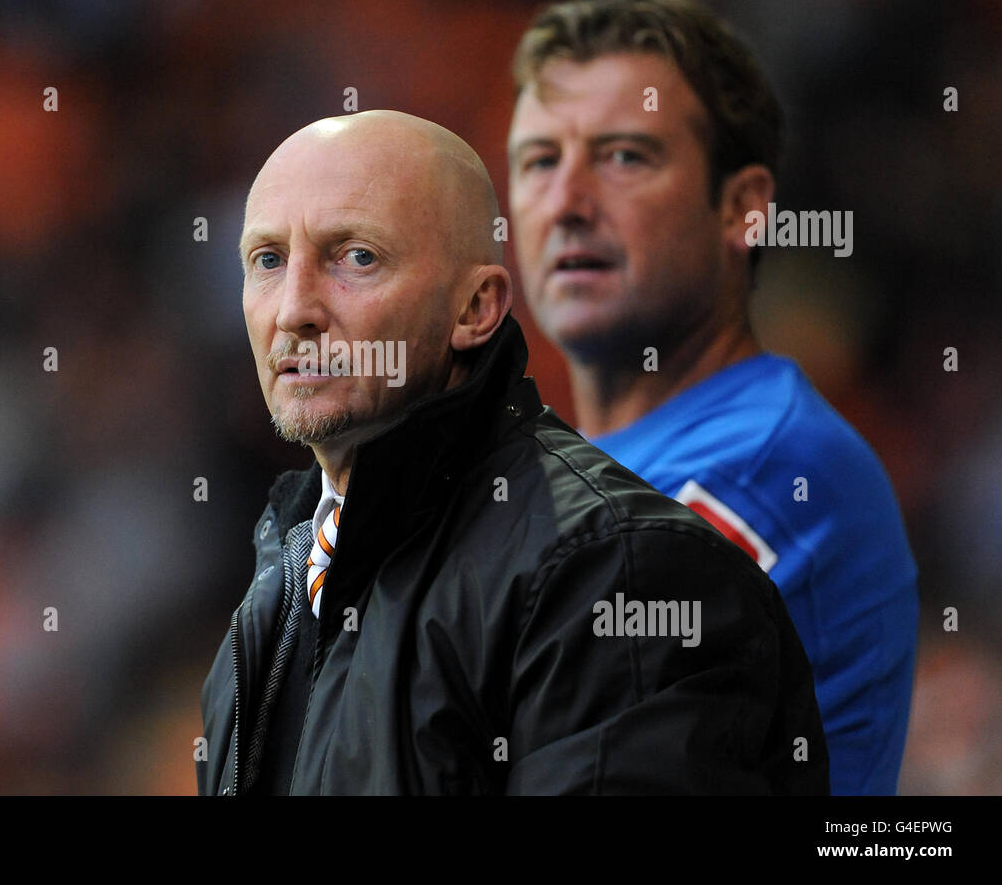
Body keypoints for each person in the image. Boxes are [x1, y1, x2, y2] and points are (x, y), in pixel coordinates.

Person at [197, 108, 829, 795]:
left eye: (356, 257)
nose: (293, 310)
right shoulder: (279, 587)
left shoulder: (616, 569)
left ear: (475, 309)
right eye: (267, 260)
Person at [506, 0, 918, 795]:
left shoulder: (768, 466)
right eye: (539, 160)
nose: (567, 202)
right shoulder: (566, 473)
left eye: (625, 155)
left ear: (742, 209)